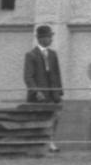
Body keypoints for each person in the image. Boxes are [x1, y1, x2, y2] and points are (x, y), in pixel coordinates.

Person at [24, 24, 64, 153]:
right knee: (40, 118)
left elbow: (57, 74)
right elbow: (28, 77)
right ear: (41, 38)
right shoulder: (31, 55)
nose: (51, 39)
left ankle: (51, 141)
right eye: (49, 37)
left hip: (53, 94)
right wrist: (36, 91)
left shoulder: (53, 55)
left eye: (51, 37)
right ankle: (38, 143)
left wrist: (59, 92)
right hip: (39, 95)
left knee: (55, 118)